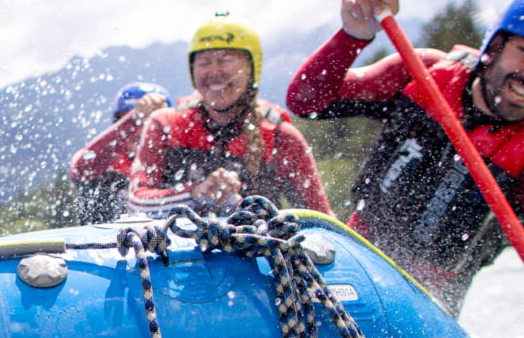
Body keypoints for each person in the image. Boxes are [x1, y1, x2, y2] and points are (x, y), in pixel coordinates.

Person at [285, 0, 524, 319]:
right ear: (496, 47)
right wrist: (352, 37)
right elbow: (306, 102)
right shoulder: (424, 73)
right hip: (353, 259)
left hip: (430, 307)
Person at [128, 15, 332, 216]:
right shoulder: (164, 125)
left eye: (226, 59)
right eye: (205, 62)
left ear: (251, 70)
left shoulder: (282, 137)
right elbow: (136, 203)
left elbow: (321, 218)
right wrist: (196, 193)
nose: (215, 71)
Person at [69, 82, 172, 222]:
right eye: (136, 121)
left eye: (150, 122)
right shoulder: (105, 162)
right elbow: (80, 168)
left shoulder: (178, 161)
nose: (141, 130)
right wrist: (134, 118)